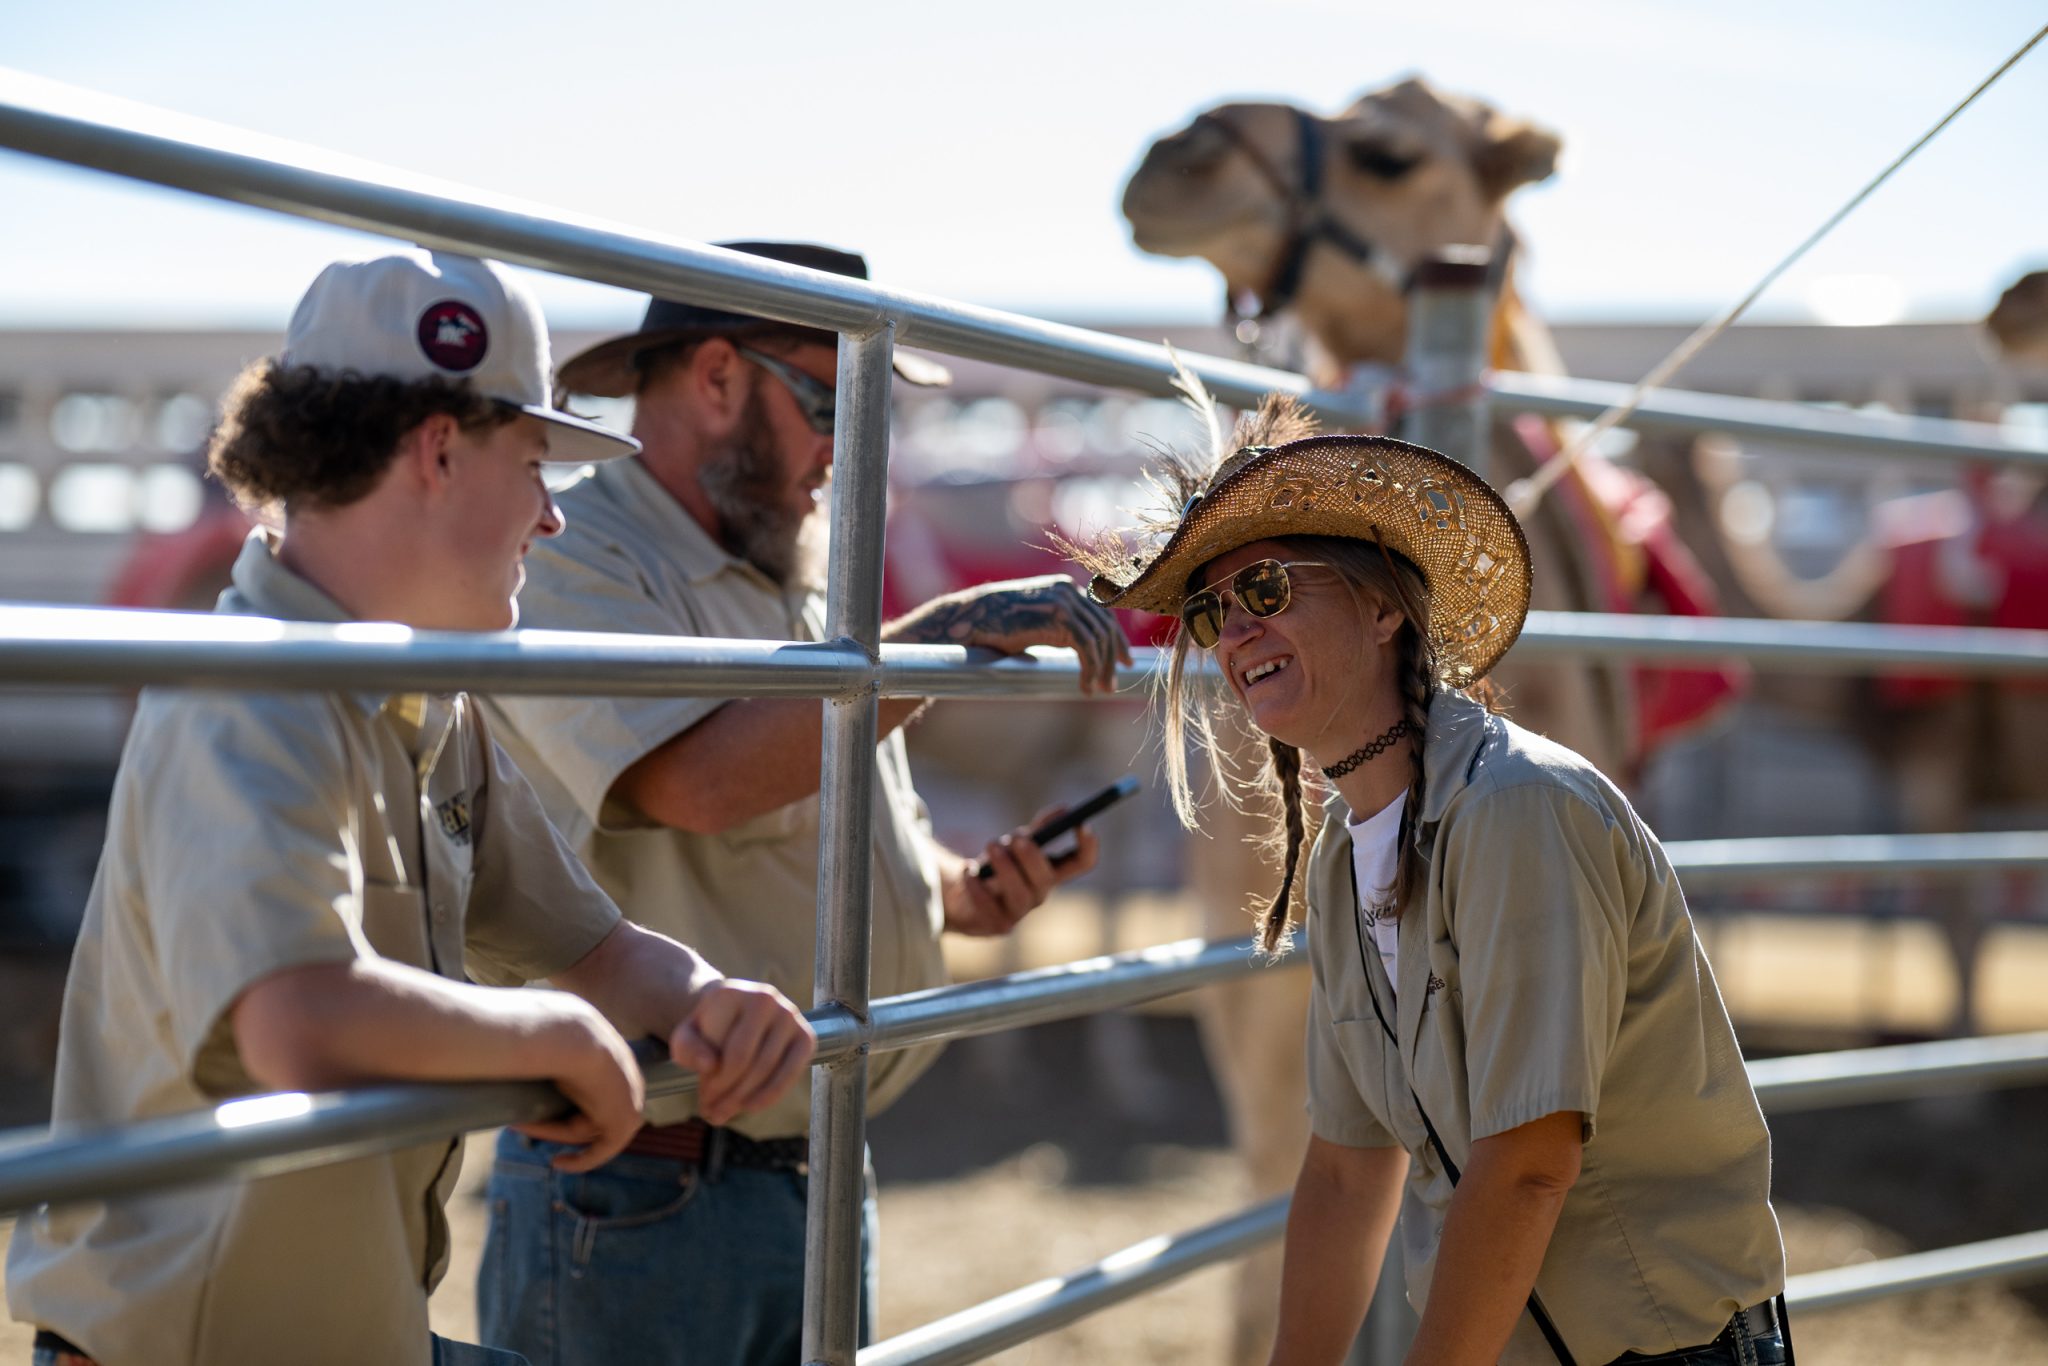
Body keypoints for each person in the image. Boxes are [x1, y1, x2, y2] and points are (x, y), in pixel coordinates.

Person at [4, 250, 815, 1366]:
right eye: (534, 465)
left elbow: (591, 941)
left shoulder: (429, 700)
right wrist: (554, 1033)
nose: (552, 520)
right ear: (438, 450)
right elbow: (295, 1018)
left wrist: (708, 1000)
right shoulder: (246, 694)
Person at [475, 240, 1131, 1365]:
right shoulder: (578, 551)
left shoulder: (797, 573)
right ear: (717, 377)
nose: (847, 450)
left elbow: (812, 823)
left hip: (805, 1163)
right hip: (645, 1182)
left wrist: (956, 895)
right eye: (832, 403)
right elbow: (692, 782)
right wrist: (931, 643)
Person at [1064, 391, 1789, 1366]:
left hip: (1655, 1346)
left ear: (1378, 607)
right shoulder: (1341, 851)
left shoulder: (1516, 809)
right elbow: (1342, 1167)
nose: (1232, 631)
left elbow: (1529, 1163)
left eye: (1267, 590)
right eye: (1208, 611)